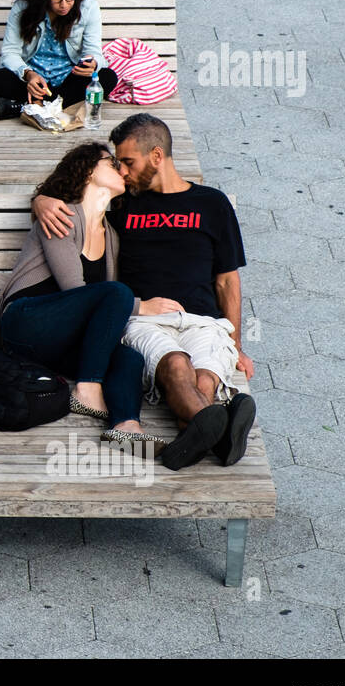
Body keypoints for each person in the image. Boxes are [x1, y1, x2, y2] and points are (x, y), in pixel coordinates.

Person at [32, 114, 258, 471]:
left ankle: (192, 441)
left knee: (204, 378)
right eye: (118, 163)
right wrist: (41, 200)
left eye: (128, 162)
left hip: (204, 321)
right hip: (144, 320)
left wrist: (239, 346)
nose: (122, 171)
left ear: (156, 156)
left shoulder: (212, 204)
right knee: (176, 365)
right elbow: (71, 187)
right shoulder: (123, 203)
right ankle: (223, 432)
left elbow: (227, 280)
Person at [0, 142, 177, 446]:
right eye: (111, 163)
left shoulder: (111, 236)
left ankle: (126, 426)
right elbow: (78, 291)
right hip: (25, 321)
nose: (120, 170)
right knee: (117, 293)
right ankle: (87, 390)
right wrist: (143, 307)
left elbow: (101, 309)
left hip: (56, 343)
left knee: (128, 358)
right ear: (87, 171)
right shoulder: (60, 213)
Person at [0, 0, 117, 120]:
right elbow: (9, 52)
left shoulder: (88, 5)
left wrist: (93, 64)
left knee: (108, 77)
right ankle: (57, 105)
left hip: (69, 78)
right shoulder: (24, 5)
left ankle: (30, 106)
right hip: (34, 80)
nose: (64, 4)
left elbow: (94, 51)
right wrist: (28, 74)